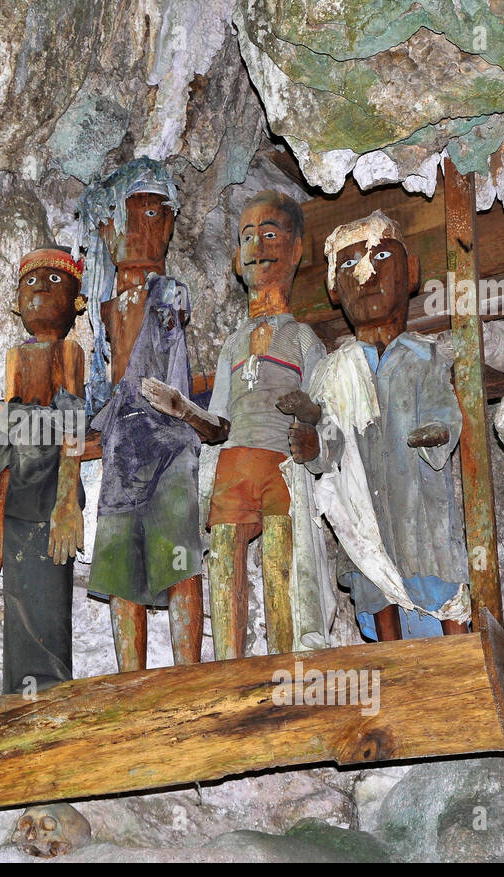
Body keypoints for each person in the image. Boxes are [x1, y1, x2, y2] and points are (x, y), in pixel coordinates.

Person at [141, 190, 335, 655]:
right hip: (232, 467)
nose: (259, 247)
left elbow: (327, 416)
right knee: (223, 568)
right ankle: (229, 668)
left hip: (280, 469)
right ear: (236, 258)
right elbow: (221, 425)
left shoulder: (304, 339)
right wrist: (185, 410)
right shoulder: (233, 344)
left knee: (279, 568)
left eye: (271, 235)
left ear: (296, 249)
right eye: (248, 237)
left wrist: (308, 416)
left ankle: (284, 661)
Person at [286, 210, 470, 640]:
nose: (366, 274)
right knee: (376, 583)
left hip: (419, 507)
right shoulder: (334, 373)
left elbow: (447, 411)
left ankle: (456, 647)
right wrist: (316, 448)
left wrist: (438, 432)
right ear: (334, 287)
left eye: (381, 255)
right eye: (348, 265)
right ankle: (389, 659)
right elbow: (335, 443)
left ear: (411, 273)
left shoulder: (426, 357)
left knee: (436, 578)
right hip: (366, 507)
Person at [76, 157, 204, 672]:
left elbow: (170, 349)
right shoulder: (105, 308)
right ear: (111, 225)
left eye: (159, 217)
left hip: (168, 434)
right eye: (138, 214)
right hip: (122, 438)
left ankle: (189, 674)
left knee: (179, 556)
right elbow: (101, 381)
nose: (149, 229)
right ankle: (132, 680)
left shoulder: (165, 292)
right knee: (119, 559)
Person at [0, 247, 88, 695]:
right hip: (17, 497)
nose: (40, 288)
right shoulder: (15, 360)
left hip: (50, 495)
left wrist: (65, 500)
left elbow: (73, 424)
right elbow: (6, 441)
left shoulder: (69, 353)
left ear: (77, 300)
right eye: (31, 281)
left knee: (46, 604)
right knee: (18, 603)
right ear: (16, 302)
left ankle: (49, 693)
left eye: (54, 281)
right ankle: (19, 694)